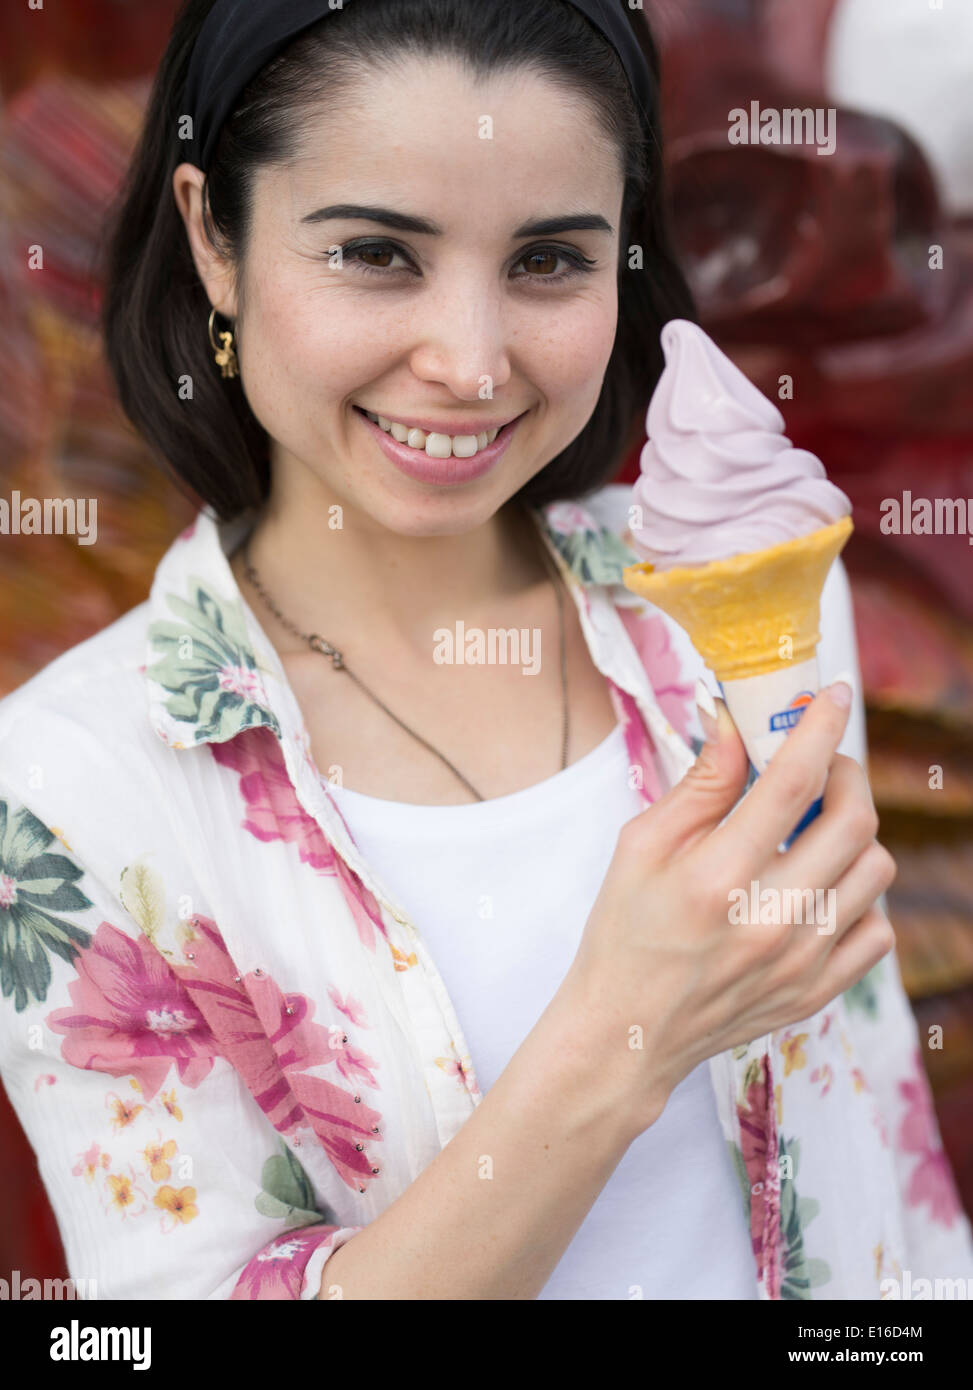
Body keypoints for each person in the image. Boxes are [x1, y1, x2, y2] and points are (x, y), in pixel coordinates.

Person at [1, 0, 970, 1301]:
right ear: (211, 238)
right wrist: (623, 1037)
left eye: (548, 262)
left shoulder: (736, 619)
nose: (469, 363)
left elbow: (890, 1177)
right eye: (375, 255)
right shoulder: (67, 790)